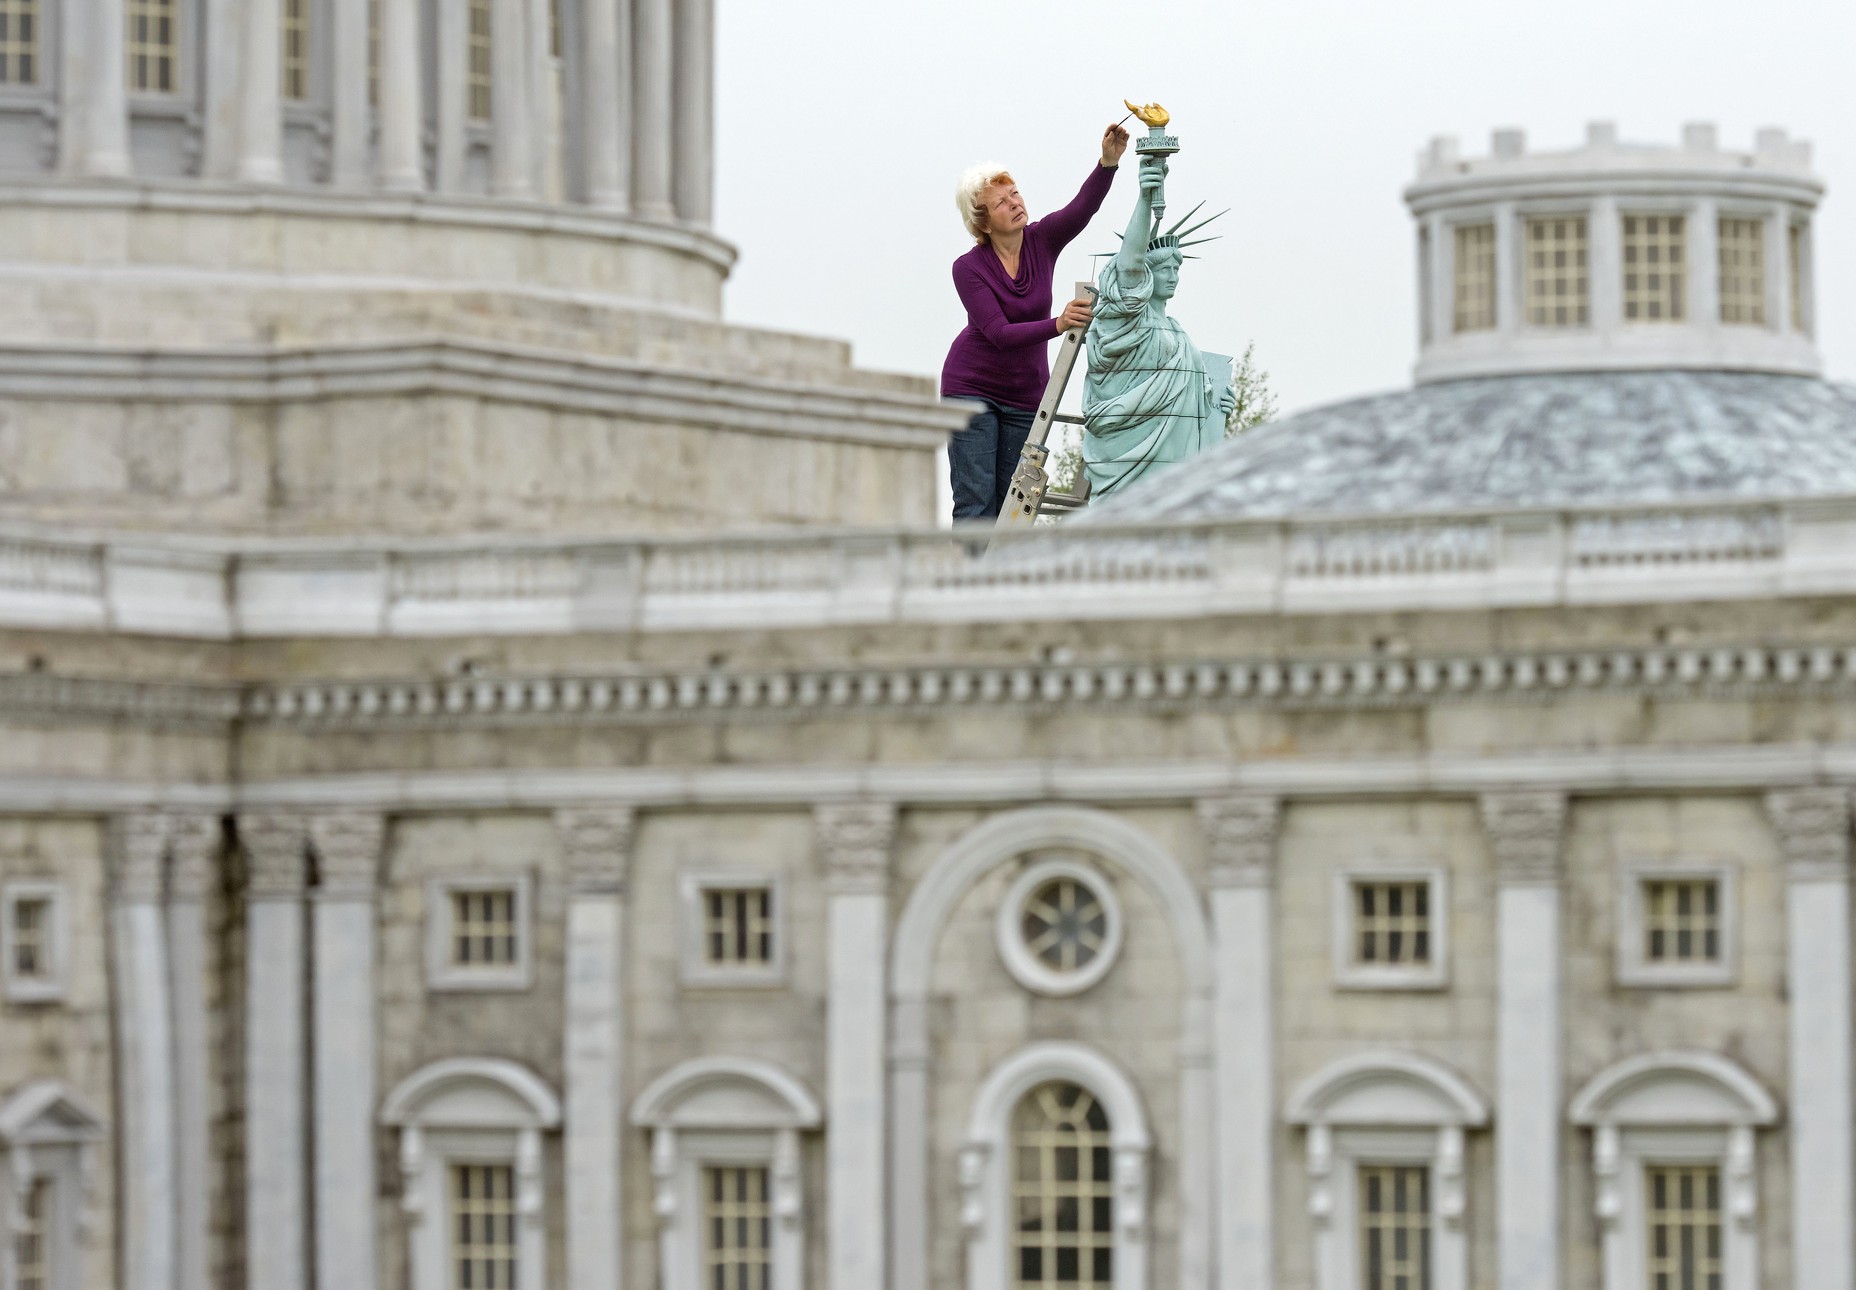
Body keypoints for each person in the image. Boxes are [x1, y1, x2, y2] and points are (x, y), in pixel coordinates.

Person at [940, 123, 1129, 521]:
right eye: (1001, 202)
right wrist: (1057, 323)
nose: (1014, 203)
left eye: (1015, 194)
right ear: (984, 223)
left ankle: (1004, 583)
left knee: (1012, 510)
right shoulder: (968, 268)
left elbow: (1081, 209)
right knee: (976, 505)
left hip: (1025, 396)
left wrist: (1107, 163)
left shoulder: (1042, 240)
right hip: (971, 388)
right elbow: (999, 333)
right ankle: (966, 583)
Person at [1082, 152, 1236, 497]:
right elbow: (1130, 263)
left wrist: (1217, 407)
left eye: (1177, 269)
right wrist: (1145, 198)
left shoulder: (1179, 334)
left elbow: (1197, 414)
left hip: (1177, 467)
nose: (1173, 277)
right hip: (1128, 454)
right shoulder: (1126, 320)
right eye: (1165, 268)